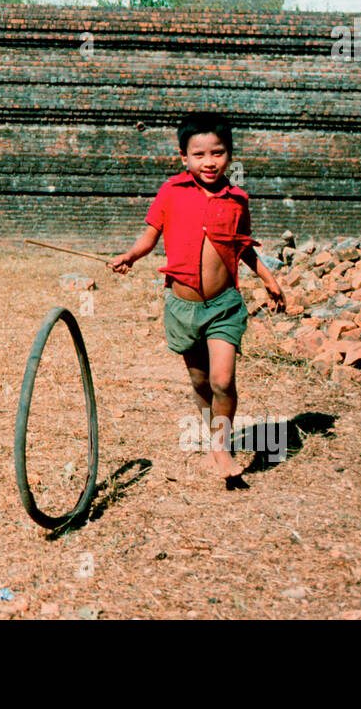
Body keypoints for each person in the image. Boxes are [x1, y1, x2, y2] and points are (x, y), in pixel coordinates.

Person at [108, 113, 285, 480]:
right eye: (199, 154)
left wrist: (270, 279)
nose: (209, 162)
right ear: (183, 157)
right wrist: (130, 256)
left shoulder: (238, 199)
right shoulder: (171, 192)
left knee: (222, 380)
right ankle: (212, 441)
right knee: (200, 383)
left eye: (218, 153)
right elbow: (150, 235)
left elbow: (245, 249)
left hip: (224, 307)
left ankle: (221, 450)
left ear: (230, 155)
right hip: (182, 307)